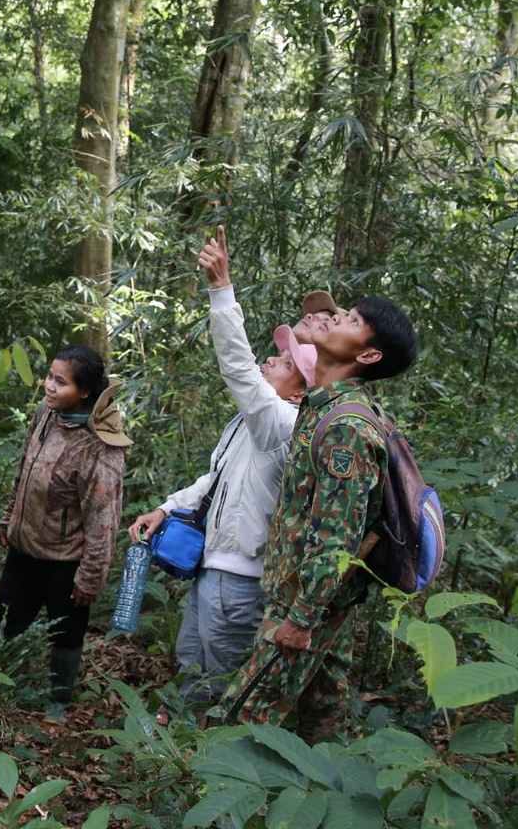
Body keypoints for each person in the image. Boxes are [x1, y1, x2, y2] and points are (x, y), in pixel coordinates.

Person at [127, 226, 331, 713]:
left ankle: (210, 766)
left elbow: (238, 366)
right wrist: (166, 508)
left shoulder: (281, 422)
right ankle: (176, 760)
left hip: (241, 579)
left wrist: (222, 289)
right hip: (212, 568)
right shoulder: (250, 424)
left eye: (282, 363)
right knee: (190, 662)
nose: (269, 360)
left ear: (298, 391)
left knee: (220, 678)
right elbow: (213, 479)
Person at [219, 291, 418, 742]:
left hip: (306, 606)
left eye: (348, 319)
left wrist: (301, 618)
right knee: (322, 719)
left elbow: (336, 538)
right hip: (328, 603)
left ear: (368, 354)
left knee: (238, 723)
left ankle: (213, 808)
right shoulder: (321, 408)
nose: (330, 319)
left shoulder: (347, 428)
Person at [0, 344, 130, 722]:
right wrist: (9, 518)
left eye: (60, 382)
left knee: (66, 637)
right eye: (49, 377)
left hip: (65, 563)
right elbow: (25, 469)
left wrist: (89, 579)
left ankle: (57, 703)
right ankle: (1, 692)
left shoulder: (100, 445)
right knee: (3, 621)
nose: (49, 387)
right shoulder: (45, 415)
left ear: (84, 391)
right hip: (24, 550)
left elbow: (104, 520)